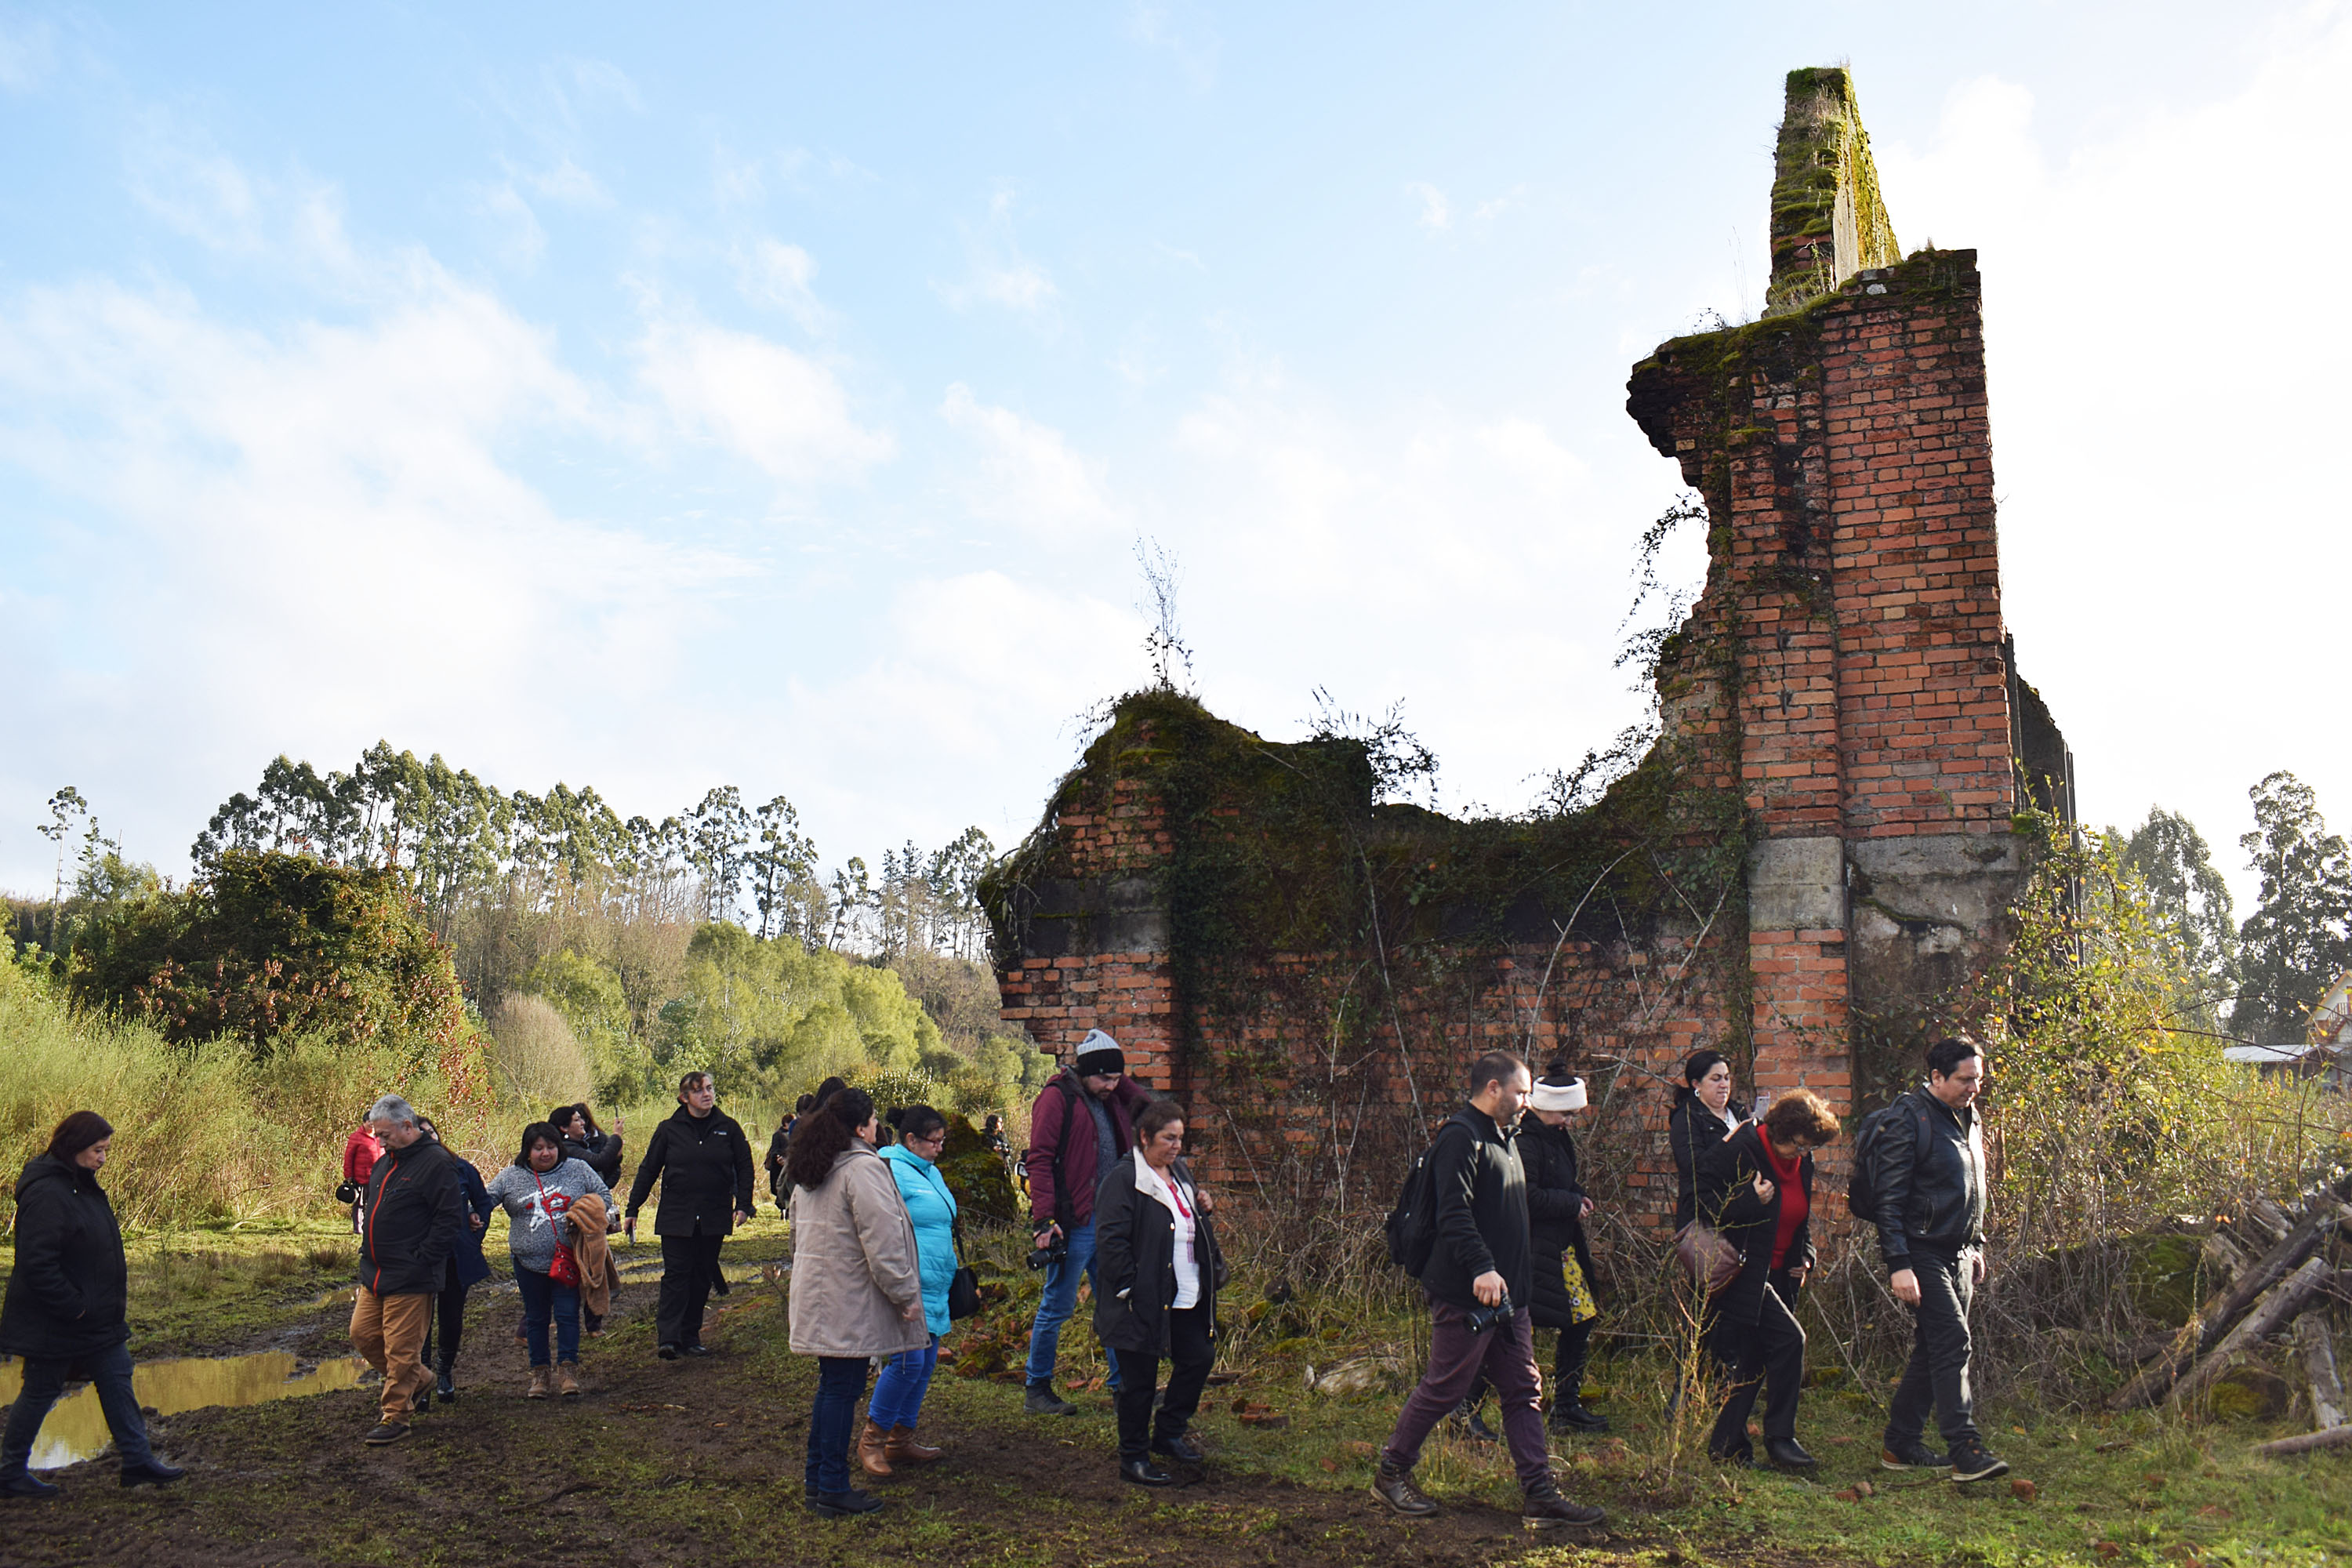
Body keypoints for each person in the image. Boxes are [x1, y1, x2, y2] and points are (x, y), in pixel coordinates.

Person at [1370, 1052, 1606, 1534]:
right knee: (1446, 1387)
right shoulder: (1461, 1137)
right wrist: (1482, 1268)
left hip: (1509, 1297)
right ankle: (1391, 1472)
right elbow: (1453, 1214)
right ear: (1493, 1088)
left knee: (1523, 1390)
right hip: (1467, 1293)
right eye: (1521, 1093)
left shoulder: (1506, 1137)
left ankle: (1539, 1495)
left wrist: (1515, 1287)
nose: (1527, 1102)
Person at [0, 1112, 184, 1497]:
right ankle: (9, 1472)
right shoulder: (48, 1193)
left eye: (106, 1150)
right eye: (98, 1150)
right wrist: (75, 1307)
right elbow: (36, 1263)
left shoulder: (79, 1184)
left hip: (96, 1319)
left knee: (117, 1379)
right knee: (40, 1392)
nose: (103, 1158)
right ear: (74, 1147)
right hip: (57, 1320)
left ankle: (137, 1460)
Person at [785, 1087, 926, 1518]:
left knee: (832, 1389)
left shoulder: (814, 1165)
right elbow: (883, 1241)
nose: (877, 1126)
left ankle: (818, 1483)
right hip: (846, 1299)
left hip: (820, 1295)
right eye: (874, 1120)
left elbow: (795, 1237)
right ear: (863, 1127)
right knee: (841, 1392)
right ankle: (832, 1487)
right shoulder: (862, 1169)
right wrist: (905, 1294)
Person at [1875, 1037, 2006, 1483]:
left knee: (1934, 1347)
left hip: (1960, 1251)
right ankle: (1965, 1450)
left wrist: (1977, 1243)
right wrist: (1899, 1264)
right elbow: (1889, 1200)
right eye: (1965, 1080)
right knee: (1952, 1340)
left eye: (1978, 1079)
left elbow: (1973, 1184)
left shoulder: (1970, 1116)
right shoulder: (1909, 1118)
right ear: (1936, 1077)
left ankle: (1900, 1443)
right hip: (1921, 1250)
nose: (1974, 1088)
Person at [1693, 1087, 1839, 1468]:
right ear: (1779, 1131)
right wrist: (1748, 1200)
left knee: (1754, 1357)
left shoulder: (1801, 1161)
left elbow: (1798, 1217)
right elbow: (1699, 1202)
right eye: (1797, 1145)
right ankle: (1780, 1439)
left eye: (1808, 1147)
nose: (1801, 1153)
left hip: (1779, 1273)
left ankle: (1726, 1447)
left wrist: (1805, 1255)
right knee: (1790, 1340)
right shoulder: (1741, 1149)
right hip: (1740, 1270)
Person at [1461, 1064, 1607, 1439]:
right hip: (1529, 1250)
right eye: (1565, 1113)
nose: (1570, 1121)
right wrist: (1570, 1204)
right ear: (1546, 1107)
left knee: (1581, 1318)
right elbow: (1526, 1195)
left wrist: (1577, 1195)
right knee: (1504, 1330)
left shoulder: (1556, 1137)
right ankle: (1467, 1409)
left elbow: (1561, 1181)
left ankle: (1567, 1405)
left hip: (1559, 1248)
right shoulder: (1525, 1140)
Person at [1093, 1099, 1225, 1487]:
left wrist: (1203, 1206)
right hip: (1139, 1300)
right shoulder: (1124, 1179)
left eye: (1180, 1138)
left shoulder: (1179, 1172)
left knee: (1199, 1357)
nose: (1177, 1146)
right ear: (1145, 1137)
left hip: (1185, 1295)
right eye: (1169, 1138)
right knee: (1139, 1382)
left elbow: (1183, 1223)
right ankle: (1133, 1458)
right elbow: (1111, 1241)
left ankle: (1168, 1433)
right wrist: (1129, 1288)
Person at [1021, 1029, 1153, 1415]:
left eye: (1117, 1079)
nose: (1112, 1086)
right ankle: (1037, 1388)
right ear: (1085, 1071)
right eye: (1105, 1078)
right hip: (1074, 1221)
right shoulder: (1057, 1098)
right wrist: (1044, 1219)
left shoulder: (1109, 1096)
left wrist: (1117, 1078)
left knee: (1117, 1303)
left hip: (1111, 1221)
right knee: (1057, 1306)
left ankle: (1123, 1388)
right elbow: (1039, 1159)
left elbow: (1147, 1110)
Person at [350, 1094, 467, 1446]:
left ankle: (396, 1416)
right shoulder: (386, 1163)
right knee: (363, 1335)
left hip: (412, 1276)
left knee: (401, 1350)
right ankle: (421, 1380)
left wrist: (422, 1258)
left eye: (384, 1135)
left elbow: (450, 1220)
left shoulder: (437, 1163)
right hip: (375, 1271)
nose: (379, 1141)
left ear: (407, 1126)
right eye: (377, 1134)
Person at [625, 1072, 755, 1359]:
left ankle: (690, 1336)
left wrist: (744, 1204)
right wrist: (633, 1208)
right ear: (684, 1098)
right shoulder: (669, 1130)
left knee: (701, 1275)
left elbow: (745, 1167)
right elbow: (649, 1169)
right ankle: (669, 1338)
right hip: (676, 1215)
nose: (707, 1094)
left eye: (709, 1088)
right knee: (676, 1274)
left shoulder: (729, 1128)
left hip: (714, 1213)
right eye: (698, 1091)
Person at [485, 1121, 615, 1399]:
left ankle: (568, 1372)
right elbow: (485, 1201)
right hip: (527, 1262)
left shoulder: (578, 1169)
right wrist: (469, 1212)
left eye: (551, 1147)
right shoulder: (510, 1176)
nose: (546, 1153)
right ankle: (540, 1375)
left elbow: (604, 1196)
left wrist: (586, 1213)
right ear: (527, 1150)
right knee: (536, 1318)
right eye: (538, 1148)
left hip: (569, 1259)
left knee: (568, 1315)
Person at [864, 1105, 960, 1475]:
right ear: (911, 1140)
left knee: (925, 1365)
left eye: (942, 1141)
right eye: (934, 1141)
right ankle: (872, 1440)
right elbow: (881, 1227)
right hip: (909, 1283)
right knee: (908, 1364)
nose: (940, 1148)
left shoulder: (931, 1171)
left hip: (936, 1285)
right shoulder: (891, 1170)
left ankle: (900, 1439)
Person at [413, 1115, 493, 1405]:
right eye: (421, 1133)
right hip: (420, 1257)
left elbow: (483, 1202)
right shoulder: (405, 1171)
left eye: (431, 1131)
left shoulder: (461, 1167)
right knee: (419, 1320)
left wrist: (475, 1234)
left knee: (451, 1317)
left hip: (456, 1255)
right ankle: (422, 1379)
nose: (428, 1137)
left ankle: (445, 1373)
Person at [1668, 1050, 1744, 1232]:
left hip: (1743, 1209)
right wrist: (1730, 1142)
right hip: (1705, 1214)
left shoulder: (1740, 1112)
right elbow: (1693, 1166)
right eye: (1716, 1079)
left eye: (1726, 1078)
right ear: (1697, 1084)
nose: (1724, 1085)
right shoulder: (1686, 1118)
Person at [552, 1105, 625, 1189]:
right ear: (564, 1128)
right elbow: (598, 1162)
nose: (583, 1123)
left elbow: (599, 1174)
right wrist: (616, 1135)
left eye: (581, 1119)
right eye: (577, 1120)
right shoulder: (567, 1149)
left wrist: (616, 1158)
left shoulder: (579, 1145)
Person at [768, 1096, 815, 1213]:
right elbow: (793, 1148)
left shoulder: (820, 1125)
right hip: (796, 1170)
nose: (804, 1118)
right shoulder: (794, 1126)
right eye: (801, 1115)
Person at [342, 1113, 383, 1235]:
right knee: (359, 1203)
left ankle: (370, 1228)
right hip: (361, 1177)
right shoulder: (356, 1137)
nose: (372, 1124)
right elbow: (348, 1157)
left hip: (378, 1177)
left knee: (374, 1204)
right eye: (369, 1121)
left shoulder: (381, 1137)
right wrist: (348, 1175)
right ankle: (358, 1228)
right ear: (364, 1123)